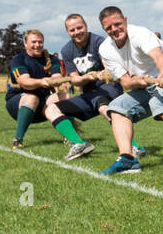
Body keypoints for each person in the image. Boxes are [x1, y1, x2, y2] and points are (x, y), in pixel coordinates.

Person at [96, 6, 163, 175]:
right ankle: (127, 159)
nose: (114, 29)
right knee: (116, 107)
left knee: (158, 102)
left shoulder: (140, 34)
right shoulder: (105, 49)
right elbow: (125, 82)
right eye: (109, 27)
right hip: (147, 85)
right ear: (104, 29)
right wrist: (134, 81)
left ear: (125, 20)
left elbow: (159, 57)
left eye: (117, 23)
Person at [5, 29, 95, 159]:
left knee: (64, 97)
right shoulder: (19, 59)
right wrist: (42, 82)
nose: (37, 45)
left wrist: (58, 81)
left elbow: (57, 76)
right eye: (33, 42)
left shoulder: (52, 59)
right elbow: (24, 81)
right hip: (19, 103)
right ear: (25, 43)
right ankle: (18, 139)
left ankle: (71, 139)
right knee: (32, 98)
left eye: (40, 42)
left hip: (42, 104)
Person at [56, 14, 128, 153]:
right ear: (67, 32)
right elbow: (74, 79)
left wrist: (103, 73)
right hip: (89, 93)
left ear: (86, 26)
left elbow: (109, 69)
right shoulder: (67, 50)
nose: (77, 32)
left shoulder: (100, 42)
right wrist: (87, 78)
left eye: (79, 27)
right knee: (52, 109)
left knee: (102, 105)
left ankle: (133, 146)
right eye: (72, 30)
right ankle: (79, 144)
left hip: (108, 88)